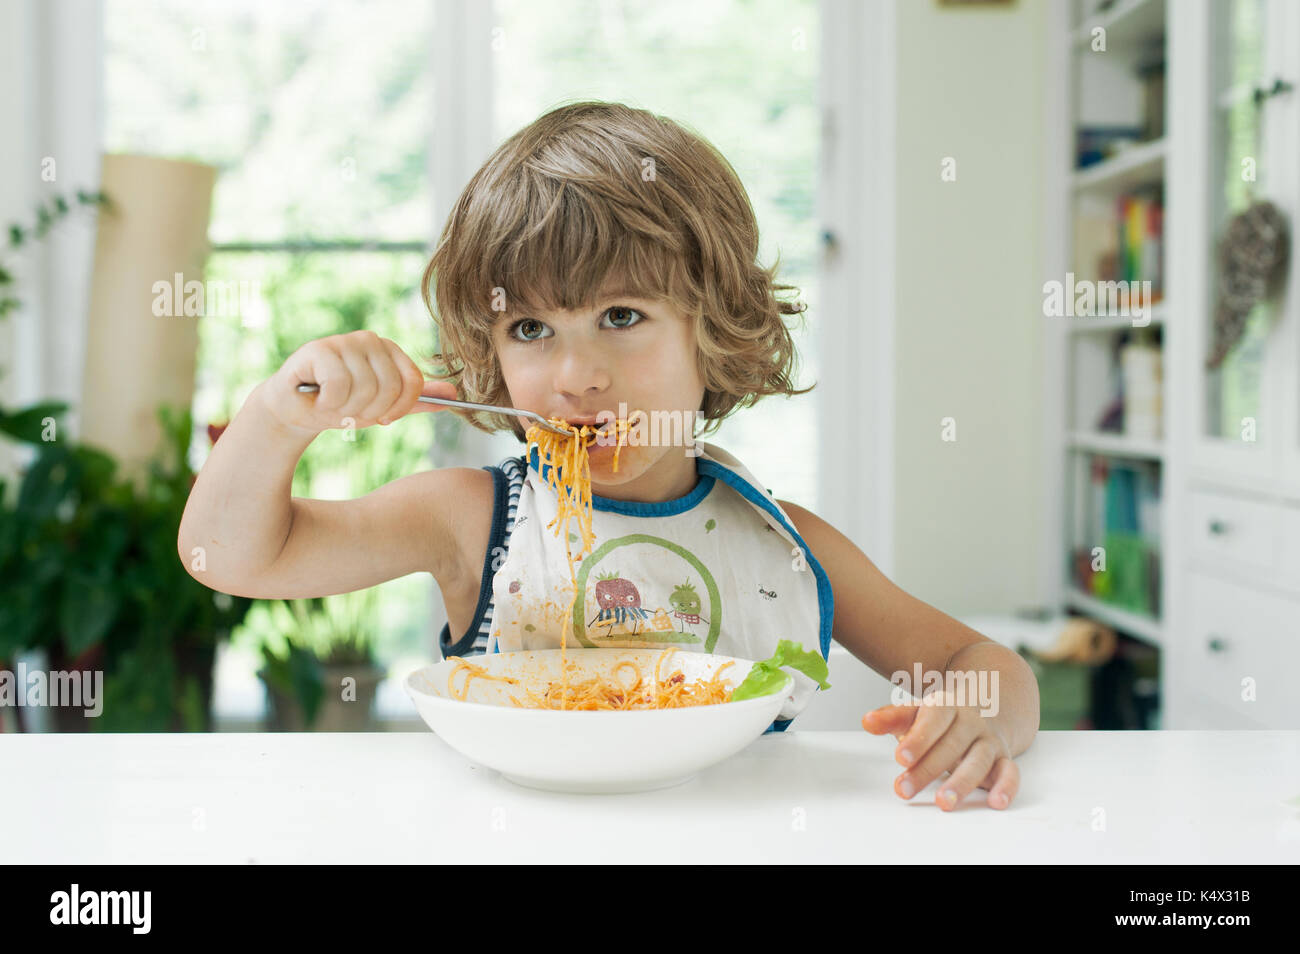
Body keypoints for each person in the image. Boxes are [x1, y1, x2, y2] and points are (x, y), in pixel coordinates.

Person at [179, 101, 1038, 811]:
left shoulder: (782, 543)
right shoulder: (469, 519)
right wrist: (277, 416)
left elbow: (981, 665)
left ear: (715, 328)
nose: (576, 377)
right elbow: (231, 558)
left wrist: (981, 716)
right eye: (530, 330)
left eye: (621, 318)